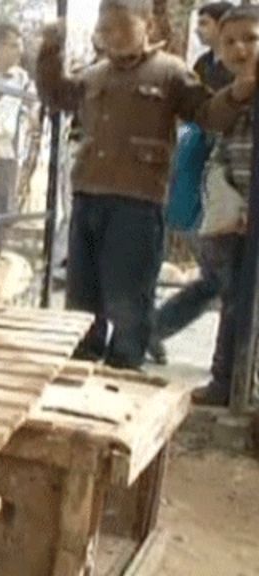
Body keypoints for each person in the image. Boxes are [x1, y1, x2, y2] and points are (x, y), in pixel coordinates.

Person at [35, 0, 250, 370]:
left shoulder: (171, 73)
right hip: (87, 194)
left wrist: (237, 93)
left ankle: (125, 361)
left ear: (148, 26)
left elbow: (207, 114)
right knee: (82, 291)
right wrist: (49, 54)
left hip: (138, 202)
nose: (113, 36)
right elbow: (56, 96)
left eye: (123, 27)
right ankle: (82, 354)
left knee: (129, 292)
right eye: (105, 29)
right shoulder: (93, 75)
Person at [148, 1, 235, 364]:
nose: (199, 31)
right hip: (204, 180)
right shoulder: (202, 67)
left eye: (205, 23)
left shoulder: (237, 68)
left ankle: (156, 328)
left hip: (230, 178)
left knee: (220, 280)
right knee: (222, 278)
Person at [191, 5, 259, 405]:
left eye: (251, 39)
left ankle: (245, 385)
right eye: (230, 41)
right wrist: (238, 93)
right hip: (237, 216)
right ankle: (225, 381)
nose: (240, 49)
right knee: (234, 299)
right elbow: (210, 122)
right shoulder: (231, 93)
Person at [0, 21, 36, 259]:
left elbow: (32, 106)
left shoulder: (22, 78)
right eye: (13, 46)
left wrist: (33, 116)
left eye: (19, 47)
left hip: (4, 151)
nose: (18, 53)